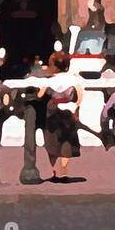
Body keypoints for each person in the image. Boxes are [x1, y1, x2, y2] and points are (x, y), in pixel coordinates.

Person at [38, 50, 85, 182]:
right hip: (68, 113)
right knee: (66, 142)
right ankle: (64, 171)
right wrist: (75, 107)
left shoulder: (50, 81)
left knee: (52, 143)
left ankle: (54, 171)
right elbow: (80, 96)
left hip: (53, 113)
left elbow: (40, 95)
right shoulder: (74, 79)